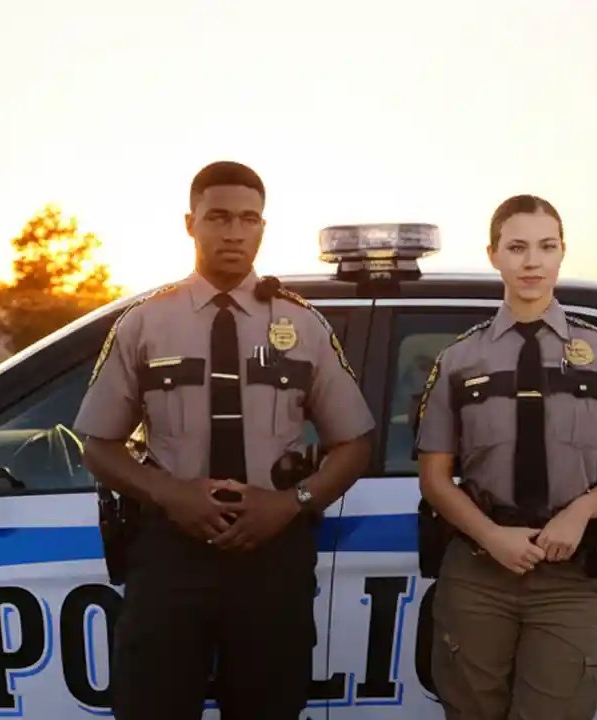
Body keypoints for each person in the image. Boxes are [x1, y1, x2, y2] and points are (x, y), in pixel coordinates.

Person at [73, 160, 375, 720]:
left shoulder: (303, 325)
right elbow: (98, 444)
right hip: (169, 553)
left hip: (273, 553)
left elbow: (354, 443)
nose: (234, 231)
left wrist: (290, 504)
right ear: (191, 223)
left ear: (263, 226)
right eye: (218, 217)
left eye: (248, 218)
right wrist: (171, 496)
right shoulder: (144, 324)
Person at [413, 194, 597, 720]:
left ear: (563, 252)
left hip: (568, 575)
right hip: (478, 571)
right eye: (516, 247)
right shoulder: (458, 359)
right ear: (493, 254)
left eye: (546, 246)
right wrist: (491, 536)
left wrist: (579, 512)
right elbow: (435, 478)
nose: (532, 261)